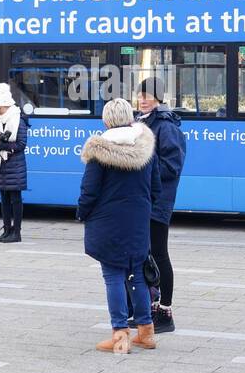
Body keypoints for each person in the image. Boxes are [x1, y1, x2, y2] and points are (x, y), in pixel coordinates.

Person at [78, 98, 162, 354]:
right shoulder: (146, 147)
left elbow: (89, 191)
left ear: (106, 121)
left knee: (113, 275)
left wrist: (82, 213)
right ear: (130, 117)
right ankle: (146, 332)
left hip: (108, 223)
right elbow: (156, 188)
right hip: (138, 221)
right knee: (136, 272)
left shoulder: (99, 151)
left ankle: (119, 336)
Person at [134, 76, 185, 334]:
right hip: (142, 200)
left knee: (159, 254)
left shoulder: (166, 127)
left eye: (148, 95)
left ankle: (165, 311)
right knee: (145, 255)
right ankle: (148, 307)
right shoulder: (141, 122)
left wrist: (142, 163)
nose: (143, 100)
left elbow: (172, 167)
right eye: (140, 95)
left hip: (158, 201)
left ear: (159, 98)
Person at [0, 83, 29, 243]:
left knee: (15, 199)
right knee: (4, 199)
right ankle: (7, 230)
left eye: (0, 108)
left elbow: (21, 144)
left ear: (7, 106)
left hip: (15, 165)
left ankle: (16, 233)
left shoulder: (18, 120)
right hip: (2, 164)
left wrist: (3, 145)